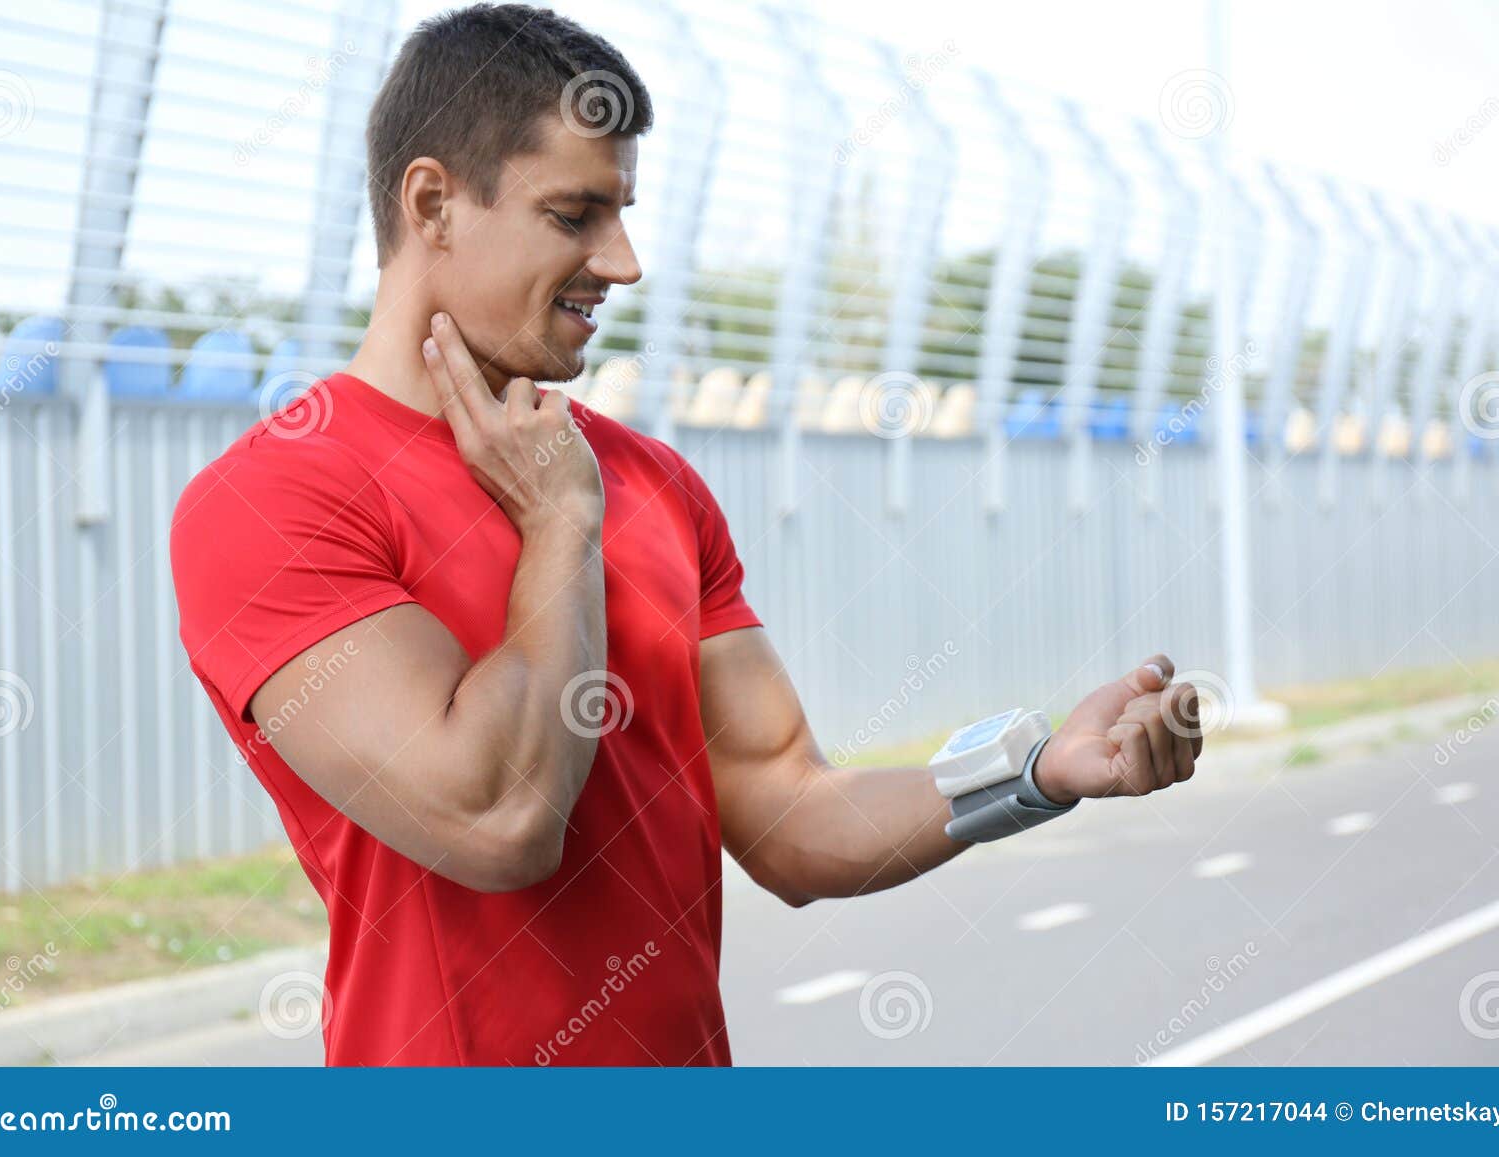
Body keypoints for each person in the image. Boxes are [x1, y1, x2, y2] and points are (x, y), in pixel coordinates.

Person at [169, 2, 1201, 1067]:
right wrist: (558, 523)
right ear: (433, 203)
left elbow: (793, 814)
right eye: (575, 214)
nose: (621, 262)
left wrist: (1036, 772)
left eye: (622, 211)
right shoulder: (275, 500)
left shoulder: (654, 482)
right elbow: (500, 817)